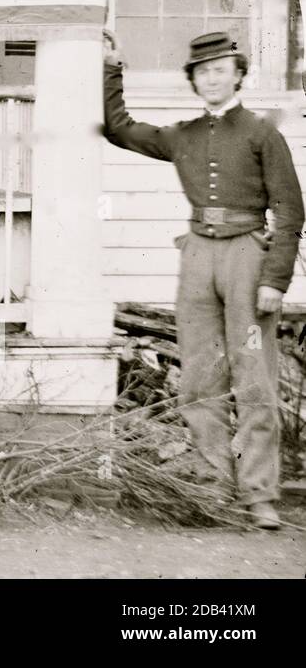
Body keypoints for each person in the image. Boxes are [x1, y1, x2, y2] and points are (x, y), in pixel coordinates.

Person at [102, 29, 302, 531]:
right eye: (202, 72)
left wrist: (275, 278)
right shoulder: (183, 135)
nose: (211, 78)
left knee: (253, 377)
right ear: (192, 81)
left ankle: (260, 495)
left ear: (238, 75)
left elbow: (290, 208)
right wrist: (111, 69)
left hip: (247, 259)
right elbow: (118, 127)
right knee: (199, 378)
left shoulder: (261, 132)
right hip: (197, 257)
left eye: (220, 70)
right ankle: (214, 485)